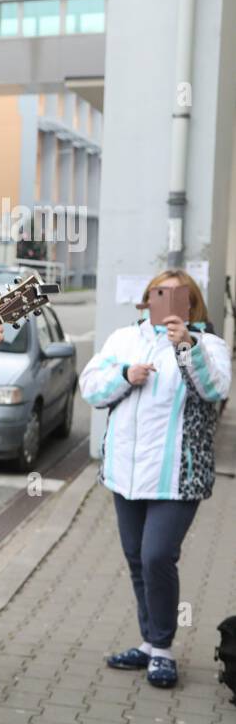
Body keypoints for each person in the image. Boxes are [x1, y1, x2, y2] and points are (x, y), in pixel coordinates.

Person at [80, 270, 230, 688]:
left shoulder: (208, 344)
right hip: (126, 475)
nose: (164, 301)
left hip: (177, 475)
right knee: (135, 558)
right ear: (146, 300)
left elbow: (215, 388)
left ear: (191, 303)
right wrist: (125, 376)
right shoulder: (123, 340)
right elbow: (91, 388)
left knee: (156, 557)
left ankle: (162, 648)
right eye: (157, 294)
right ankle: (149, 644)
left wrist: (185, 346)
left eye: (177, 296)